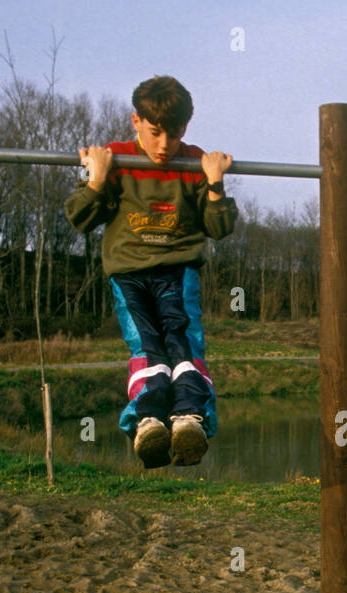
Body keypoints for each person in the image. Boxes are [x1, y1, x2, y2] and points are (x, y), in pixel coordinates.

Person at [65, 75, 238, 468]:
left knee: (183, 342)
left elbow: (220, 228)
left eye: (173, 135)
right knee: (147, 347)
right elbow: (79, 216)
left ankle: (189, 418)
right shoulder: (117, 158)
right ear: (136, 121)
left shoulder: (193, 161)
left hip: (177, 272)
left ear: (185, 129)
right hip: (129, 274)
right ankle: (147, 421)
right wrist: (96, 177)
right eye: (155, 132)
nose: (164, 146)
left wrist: (214, 184)